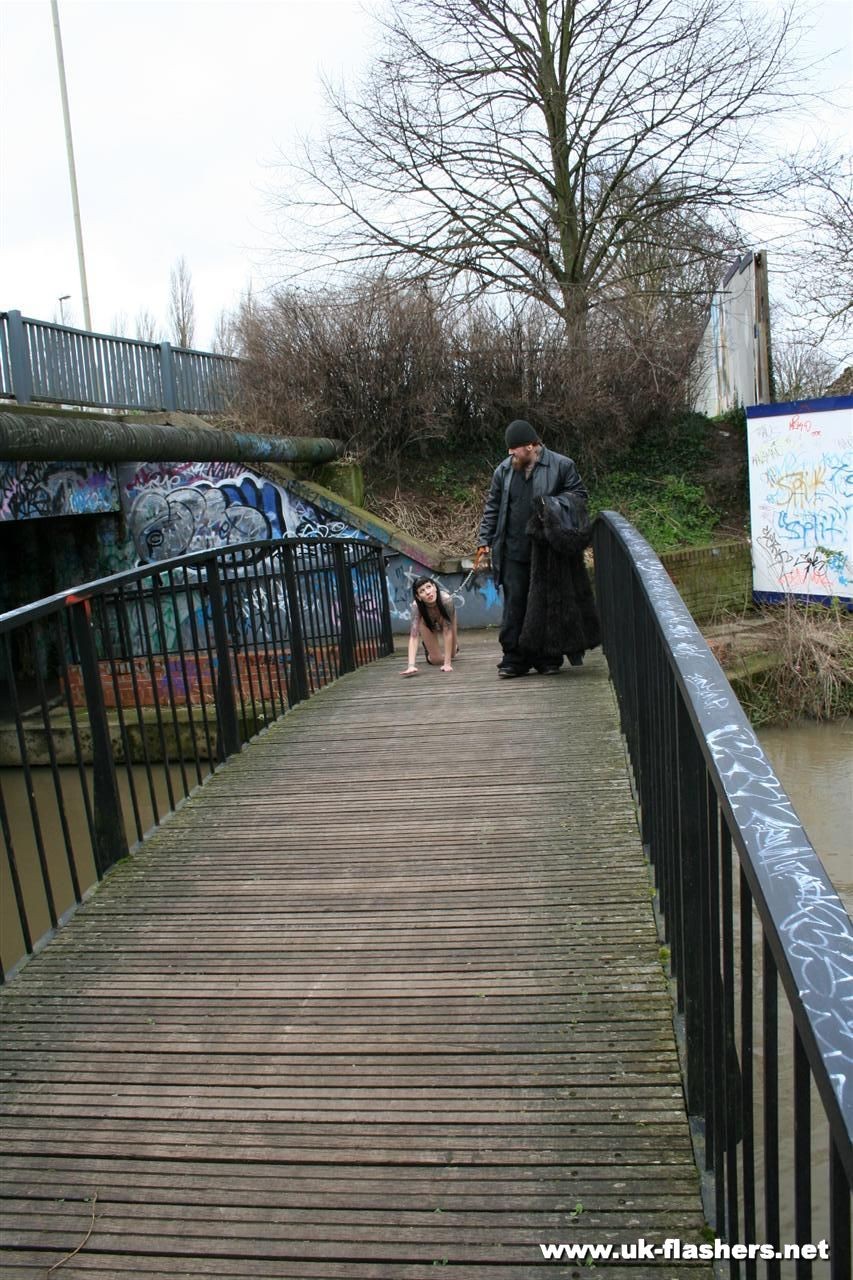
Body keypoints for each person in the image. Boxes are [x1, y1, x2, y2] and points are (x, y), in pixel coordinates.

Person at [477, 419, 599, 677]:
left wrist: (550, 505)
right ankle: (514, 658)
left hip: (547, 550)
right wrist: (484, 540)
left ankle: (548, 657)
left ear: (532, 446)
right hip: (512, 549)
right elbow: (493, 507)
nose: (511, 453)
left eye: (515, 449)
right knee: (515, 604)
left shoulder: (562, 465)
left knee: (547, 603)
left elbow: (579, 497)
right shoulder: (503, 470)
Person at [401, 576, 459, 676]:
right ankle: (428, 649)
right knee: (437, 660)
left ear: (435, 587)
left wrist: (447, 664)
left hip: (445, 619)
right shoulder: (416, 607)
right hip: (426, 622)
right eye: (422, 591)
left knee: (452, 654)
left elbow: (447, 631)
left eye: (429, 587)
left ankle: (455, 647)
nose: (428, 592)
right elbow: (414, 636)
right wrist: (411, 665)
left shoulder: (446, 600)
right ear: (418, 596)